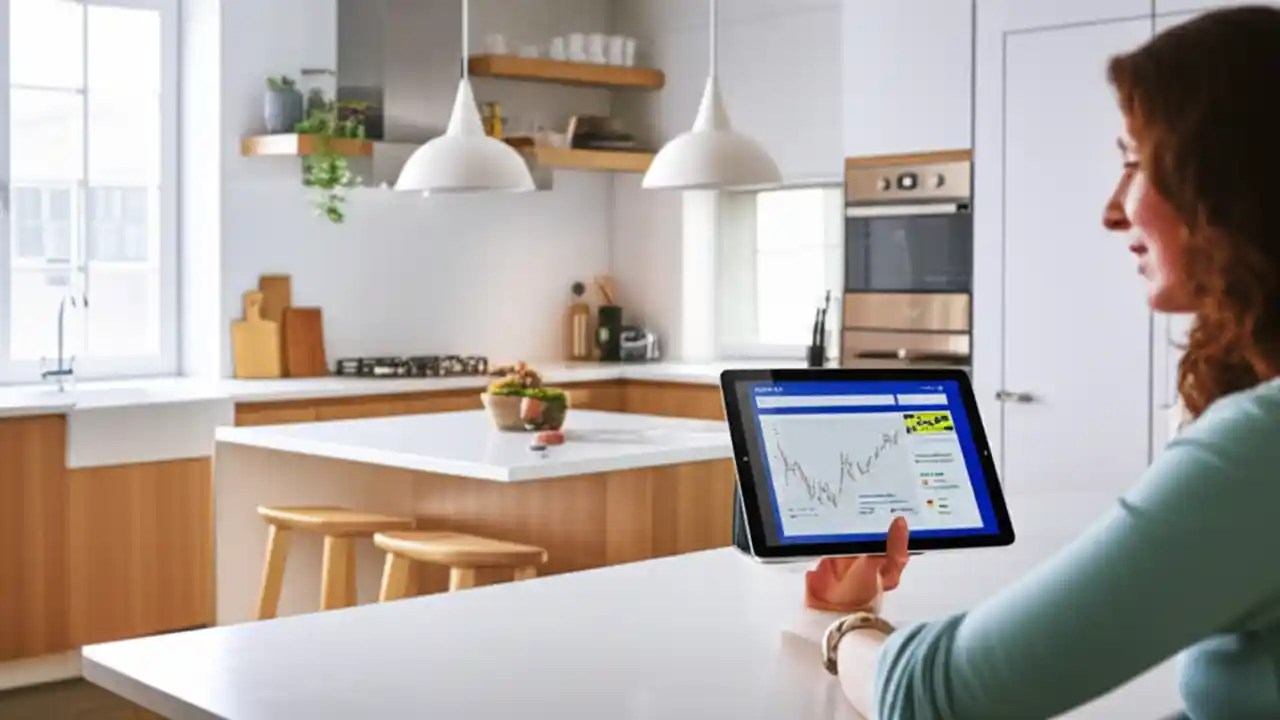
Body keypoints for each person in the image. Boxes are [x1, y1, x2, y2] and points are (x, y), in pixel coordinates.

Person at [806, 6, 1280, 718]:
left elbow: (934, 699)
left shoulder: (1262, 447)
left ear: (1231, 184)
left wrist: (848, 631)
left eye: (1134, 164)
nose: (1112, 212)